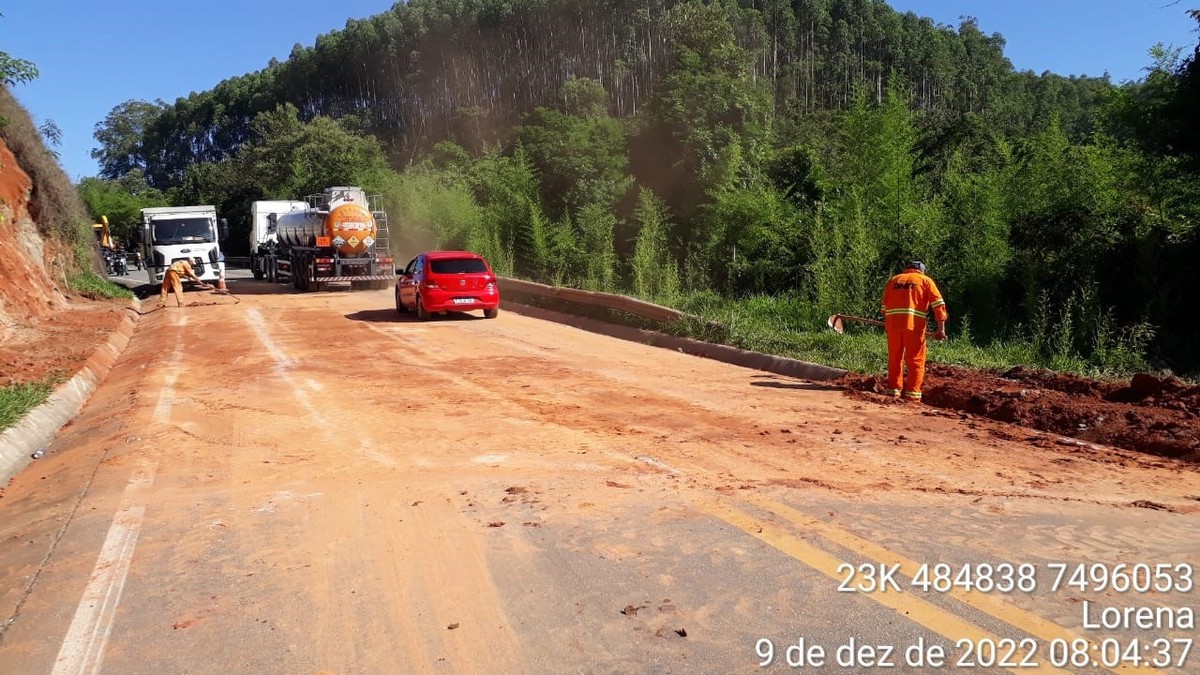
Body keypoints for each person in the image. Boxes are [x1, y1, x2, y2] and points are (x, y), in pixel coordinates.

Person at [881, 260, 948, 403]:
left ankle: (893, 391)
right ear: (921, 271)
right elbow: (938, 305)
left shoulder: (894, 280)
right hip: (913, 326)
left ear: (907, 269)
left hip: (892, 326)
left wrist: (894, 319)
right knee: (915, 360)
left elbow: (884, 307)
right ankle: (912, 395)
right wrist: (941, 329)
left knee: (895, 358)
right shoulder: (925, 281)